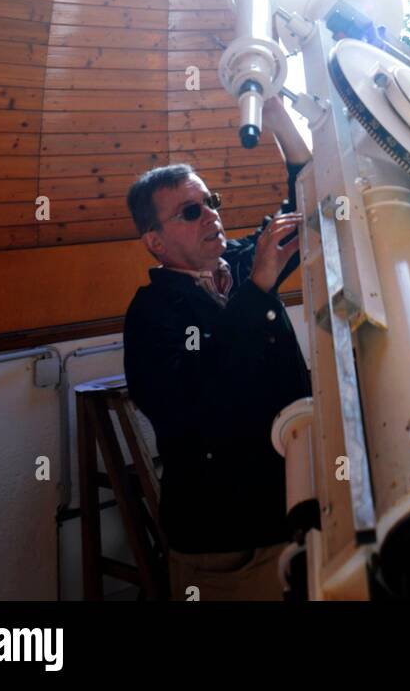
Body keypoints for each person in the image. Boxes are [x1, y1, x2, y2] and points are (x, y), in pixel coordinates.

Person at [123, 160, 310, 601]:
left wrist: (275, 108)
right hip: (229, 543)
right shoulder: (152, 314)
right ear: (155, 241)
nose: (211, 214)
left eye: (211, 202)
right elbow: (195, 401)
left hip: (295, 514)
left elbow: (305, 201)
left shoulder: (242, 265)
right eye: (191, 212)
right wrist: (257, 289)